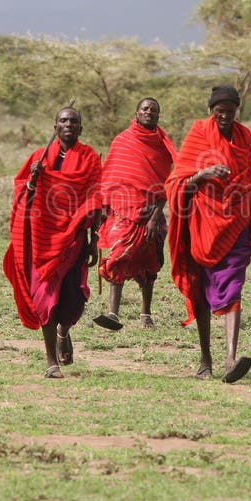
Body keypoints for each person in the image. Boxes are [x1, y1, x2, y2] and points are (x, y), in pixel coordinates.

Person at [165, 85, 251, 384]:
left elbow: (246, 177)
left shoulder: (245, 137)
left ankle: (231, 359)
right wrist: (203, 174)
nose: (224, 115)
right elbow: (176, 181)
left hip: (237, 220)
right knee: (201, 291)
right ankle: (205, 357)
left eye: (229, 110)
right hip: (202, 223)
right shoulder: (199, 134)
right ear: (211, 111)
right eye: (219, 110)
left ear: (237, 110)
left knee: (233, 286)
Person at [3, 106, 103, 379]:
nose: (68, 124)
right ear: (55, 127)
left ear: (80, 129)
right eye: (63, 120)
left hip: (73, 240)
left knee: (72, 302)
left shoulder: (89, 158)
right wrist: (33, 182)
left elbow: (95, 199)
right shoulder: (39, 157)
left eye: (74, 121)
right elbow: (22, 194)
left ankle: (64, 331)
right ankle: (51, 362)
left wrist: (95, 240)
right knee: (45, 297)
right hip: (41, 240)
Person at [96, 98, 176, 329]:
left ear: (158, 115)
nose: (149, 112)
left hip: (153, 214)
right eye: (145, 109)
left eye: (154, 110)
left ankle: (146, 315)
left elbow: (166, 184)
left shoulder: (163, 145)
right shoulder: (123, 141)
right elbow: (110, 176)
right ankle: (113, 314)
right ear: (137, 113)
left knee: (149, 262)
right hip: (123, 212)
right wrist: (103, 208)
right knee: (118, 256)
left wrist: (153, 218)